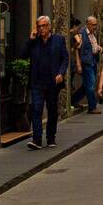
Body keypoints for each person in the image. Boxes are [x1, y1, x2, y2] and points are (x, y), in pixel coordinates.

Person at [22, 15, 69, 149]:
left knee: (52, 110)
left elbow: (65, 58)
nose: (41, 29)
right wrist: (30, 40)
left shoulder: (58, 40)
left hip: (52, 82)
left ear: (49, 26)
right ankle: (36, 139)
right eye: (39, 26)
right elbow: (23, 55)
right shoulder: (34, 42)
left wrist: (61, 73)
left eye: (43, 26)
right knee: (36, 109)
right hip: (37, 82)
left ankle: (51, 138)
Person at [72, 15, 102, 114]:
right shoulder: (82, 34)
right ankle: (92, 107)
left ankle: (73, 100)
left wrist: (98, 48)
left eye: (96, 25)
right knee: (91, 85)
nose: (95, 27)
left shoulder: (93, 33)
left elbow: (92, 45)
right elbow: (77, 48)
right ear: (88, 24)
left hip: (93, 60)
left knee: (86, 85)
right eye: (93, 25)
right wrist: (79, 64)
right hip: (86, 62)